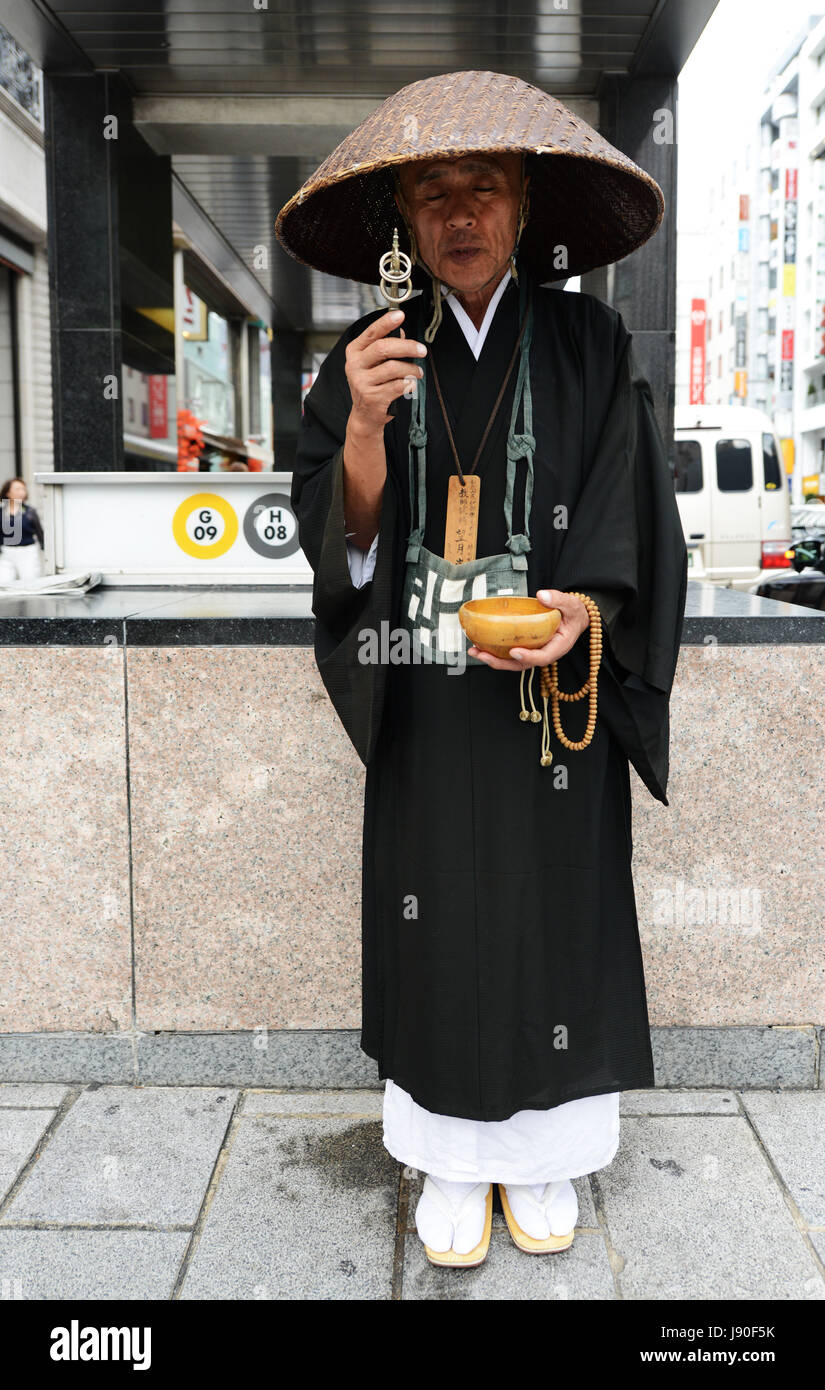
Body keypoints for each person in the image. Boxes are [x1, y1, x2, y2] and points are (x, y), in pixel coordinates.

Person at [277, 70, 687, 1268]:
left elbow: (631, 508)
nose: (460, 212)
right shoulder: (364, 357)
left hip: (549, 696)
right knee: (438, 923)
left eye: (485, 187)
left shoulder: (589, 340)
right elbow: (340, 538)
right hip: (425, 695)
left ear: (523, 206)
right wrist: (358, 428)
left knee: (553, 917)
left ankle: (549, 1156)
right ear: (403, 217)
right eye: (434, 191)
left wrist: (587, 607)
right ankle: (451, 1163)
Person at [0, 477, 44, 585]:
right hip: (6, 553)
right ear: (8, 492)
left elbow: (40, 533)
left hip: (27, 552)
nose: (22, 492)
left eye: (23, 489)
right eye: (17, 489)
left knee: (30, 583)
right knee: (4, 584)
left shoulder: (29, 512)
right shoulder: (1, 511)